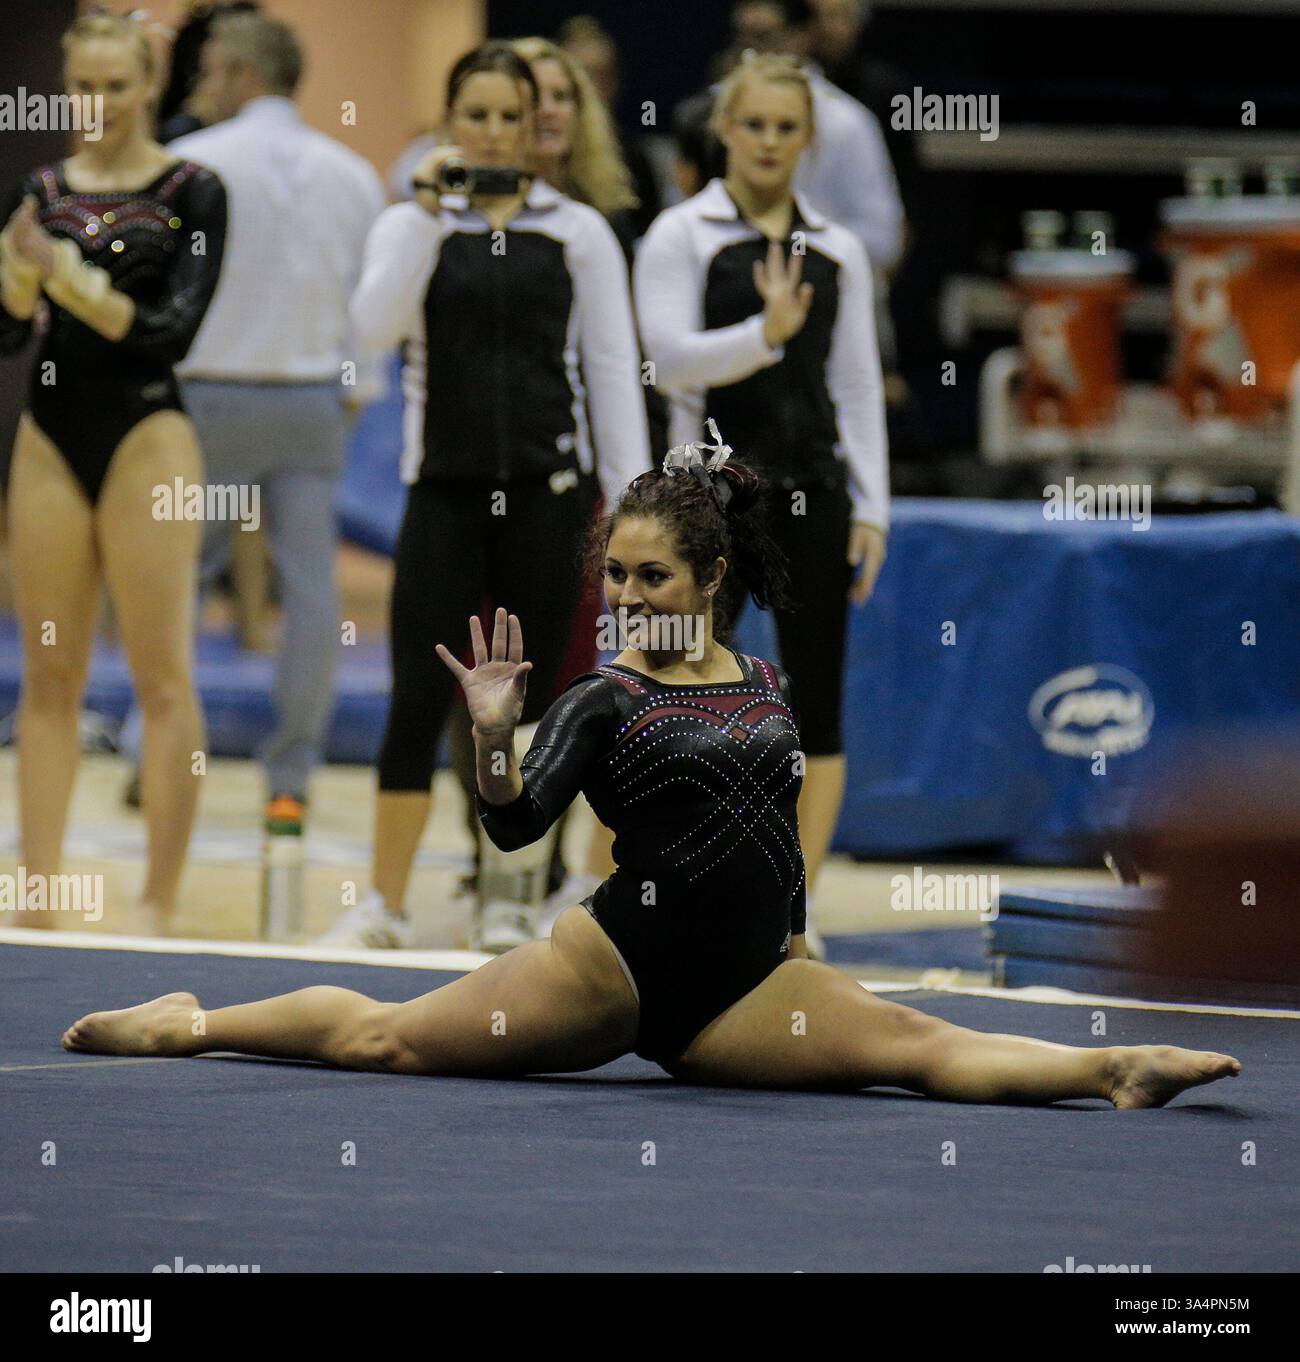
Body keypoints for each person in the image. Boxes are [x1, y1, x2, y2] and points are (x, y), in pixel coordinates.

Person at [60, 450, 1243, 1114]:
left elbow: (773, 841)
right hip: (615, 967)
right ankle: (191, 1023)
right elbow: (516, 827)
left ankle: (1112, 1068)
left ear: (712, 575)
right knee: (386, 1043)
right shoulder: (605, 694)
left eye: (654, 578)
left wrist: (790, 944)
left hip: (744, 991)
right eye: (615, 576)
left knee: (915, 1045)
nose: (628, 598)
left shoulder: (767, 680)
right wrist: (489, 731)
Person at [315, 42, 650, 952]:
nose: (496, 132)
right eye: (477, 115)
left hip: (550, 497)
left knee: (533, 704)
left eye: (511, 115)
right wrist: (426, 213)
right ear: (449, 122)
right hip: (444, 498)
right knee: (418, 702)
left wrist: (633, 509)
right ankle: (382, 902)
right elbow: (370, 332)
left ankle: (510, 893)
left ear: (533, 125)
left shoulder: (578, 232)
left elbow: (613, 374)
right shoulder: (410, 226)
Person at [634, 52, 887, 957]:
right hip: (711, 497)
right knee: (672, 683)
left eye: (787, 128)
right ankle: (650, 882)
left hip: (815, 492)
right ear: (724, 132)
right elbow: (667, 358)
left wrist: (874, 508)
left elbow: (855, 386)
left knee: (815, 704)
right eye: (754, 126)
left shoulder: (839, 250)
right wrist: (761, 335)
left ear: (808, 139)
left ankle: (794, 913)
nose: (770, 142)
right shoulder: (679, 236)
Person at [117, 12, 387, 821]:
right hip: (311, 400)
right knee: (310, 595)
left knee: (173, 583)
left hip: (208, 400)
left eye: (208, 68)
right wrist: (351, 396)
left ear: (239, 71)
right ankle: (291, 781)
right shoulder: (352, 173)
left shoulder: (190, 161)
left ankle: (149, 754)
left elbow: (160, 300)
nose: (198, 82)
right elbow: (364, 314)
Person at [0, 12, 227, 930]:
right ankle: (40, 891)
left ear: (149, 85)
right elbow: (12, 336)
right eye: (82, 87)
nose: (96, 105)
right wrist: (18, 281)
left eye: (115, 86)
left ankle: (159, 901)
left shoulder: (193, 189)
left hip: (147, 437)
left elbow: (172, 330)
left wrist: (63, 276)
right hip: (52, 436)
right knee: (49, 677)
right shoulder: (42, 187)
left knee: (161, 677)